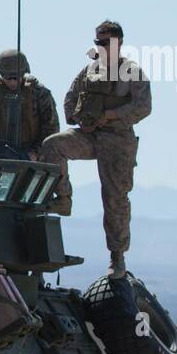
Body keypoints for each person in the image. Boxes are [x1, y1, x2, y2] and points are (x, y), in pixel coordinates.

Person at [39, 20, 152, 279]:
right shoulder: (90, 70)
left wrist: (109, 115)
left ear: (119, 43)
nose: (100, 47)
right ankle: (63, 199)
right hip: (90, 135)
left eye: (105, 42)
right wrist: (78, 118)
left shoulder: (130, 71)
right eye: (97, 42)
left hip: (117, 140)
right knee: (53, 145)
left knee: (115, 199)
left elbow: (143, 107)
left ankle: (117, 257)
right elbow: (70, 96)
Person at [0, 50, 58, 159]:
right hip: (3, 152)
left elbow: (52, 129)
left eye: (16, 77)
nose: (13, 82)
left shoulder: (39, 93)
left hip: (35, 152)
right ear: (0, 74)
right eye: (8, 78)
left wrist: (36, 153)